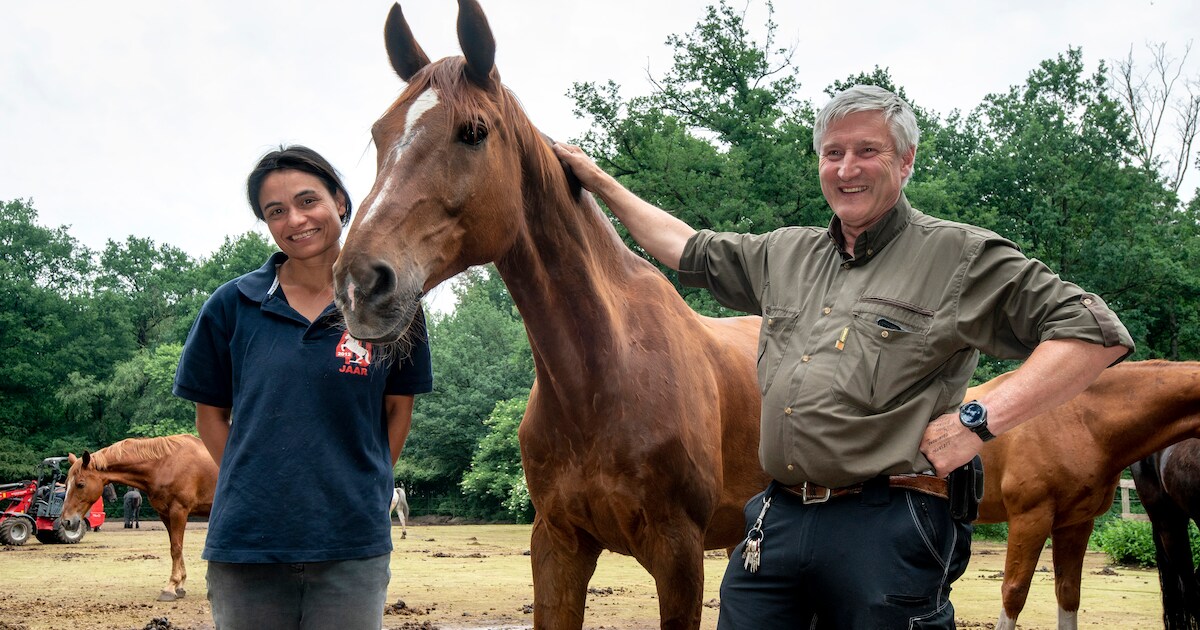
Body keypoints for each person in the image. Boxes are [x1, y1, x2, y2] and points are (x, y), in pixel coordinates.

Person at [552, 85, 1134, 628]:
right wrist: (598, 181)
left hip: (888, 523)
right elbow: (684, 247)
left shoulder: (961, 256)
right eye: (833, 153)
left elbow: (1094, 332)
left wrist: (976, 422)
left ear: (905, 161)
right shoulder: (786, 254)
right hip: (775, 521)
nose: (847, 168)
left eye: (867, 151)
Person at [173, 145, 433, 630]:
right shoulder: (231, 305)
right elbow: (210, 414)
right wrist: (252, 479)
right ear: (267, 224)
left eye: (307, 200)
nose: (295, 219)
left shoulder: (391, 302)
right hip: (247, 543)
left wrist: (365, 480)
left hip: (352, 543)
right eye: (276, 211)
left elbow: (398, 410)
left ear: (339, 200)